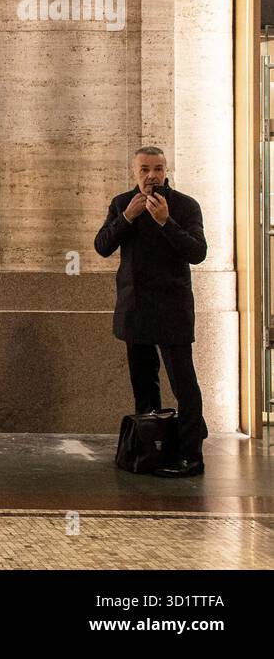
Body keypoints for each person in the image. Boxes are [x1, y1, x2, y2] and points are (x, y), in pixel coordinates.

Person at [95, 146, 209, 477]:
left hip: (173, 308)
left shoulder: (185, 206)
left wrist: (165, 222)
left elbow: (197, 252)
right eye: (145, 169)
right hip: (136, 308)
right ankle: (149, 450)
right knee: (144, 384)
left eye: (158, 168)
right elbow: (102, 246)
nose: (151, 176)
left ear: (166, 169)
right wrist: (127, 217)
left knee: (184, 385)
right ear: (135, 171)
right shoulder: (122, 203)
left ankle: (191, 456)